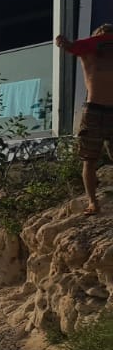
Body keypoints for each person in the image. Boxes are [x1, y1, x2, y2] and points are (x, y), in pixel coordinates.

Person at [56, 24, 113, 213]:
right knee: (89, 160)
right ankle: (92, 202)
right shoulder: (88, 54)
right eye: (103, 38)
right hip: (94, 110)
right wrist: (63, 43)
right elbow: (71, 47)